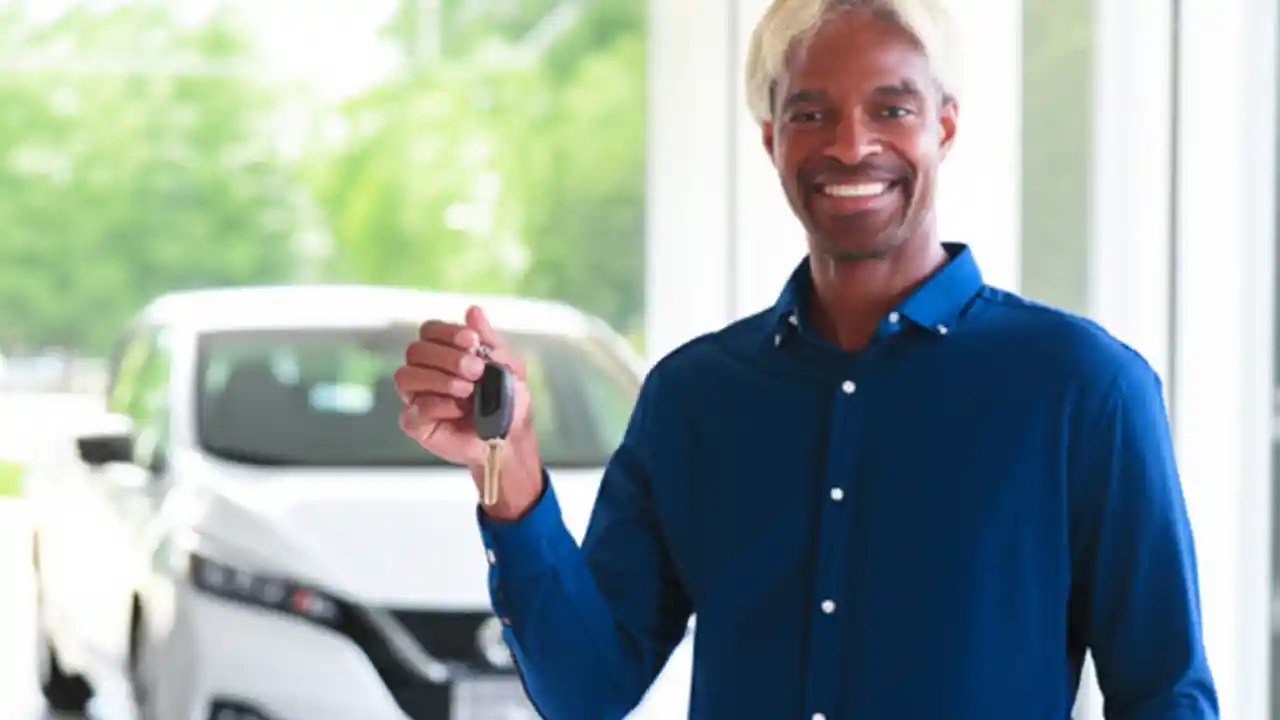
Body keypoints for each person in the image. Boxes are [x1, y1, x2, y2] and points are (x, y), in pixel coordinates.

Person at [393, 0, 1219, 717]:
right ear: (771, 138)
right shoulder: (695, 397)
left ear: (945, 126)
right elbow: (586, 690)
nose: (851, 146)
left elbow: (1165, 693)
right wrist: (511, 473)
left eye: (892, 109)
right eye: (812, 113)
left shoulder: (1082, 388)